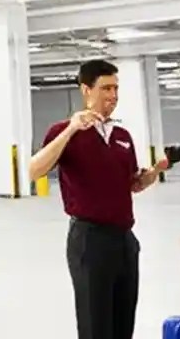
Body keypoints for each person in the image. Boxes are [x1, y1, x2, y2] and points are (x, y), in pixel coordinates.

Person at [29, 59, 169, 339]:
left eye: (116, 88)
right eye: (106, 88)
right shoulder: (62, 132)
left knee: (123, 321)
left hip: (125, 240)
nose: (113, 95)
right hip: (89, 240)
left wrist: (152, 174)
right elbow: (35, 170)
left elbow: (131, 184)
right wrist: (71, 128)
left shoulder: (122, 136)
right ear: (86, 90)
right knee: (96, 325)